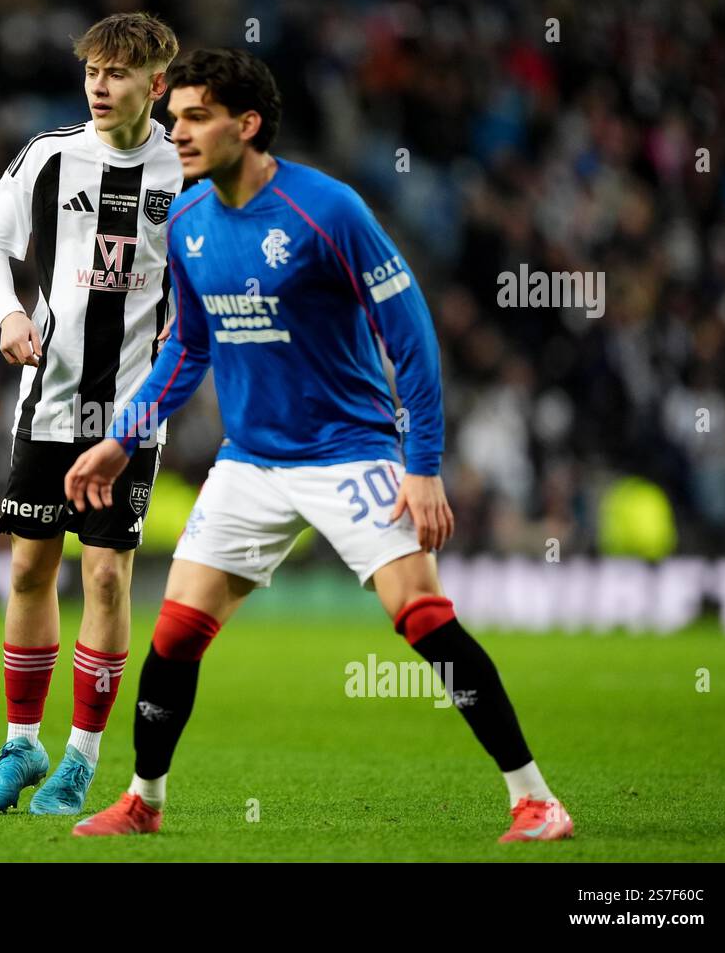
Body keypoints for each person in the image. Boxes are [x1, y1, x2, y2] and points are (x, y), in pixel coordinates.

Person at [65, 48, 574, 843]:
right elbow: (188, 350)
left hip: (351, 453)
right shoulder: (188, 222)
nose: (179, 132)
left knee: (424, 619)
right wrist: (121, 439)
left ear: (248, 123)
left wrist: (424, 465)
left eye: (196, 116)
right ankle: (143, 800)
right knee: (172, 634)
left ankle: (536, 798)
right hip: (251, 461)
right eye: (174, 119)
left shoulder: (328, 210)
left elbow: (411, 339)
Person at [0, 12, 184, 815]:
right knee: (28, 567)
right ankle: (21, 743)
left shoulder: (184, 172)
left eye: (119, 72)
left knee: (103, 574)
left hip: (129, 415)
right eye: (93, 69)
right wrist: (8, 315)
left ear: (155, 84)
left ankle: (79, 760)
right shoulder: (49, 155)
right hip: (47, 400)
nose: (100, 84)